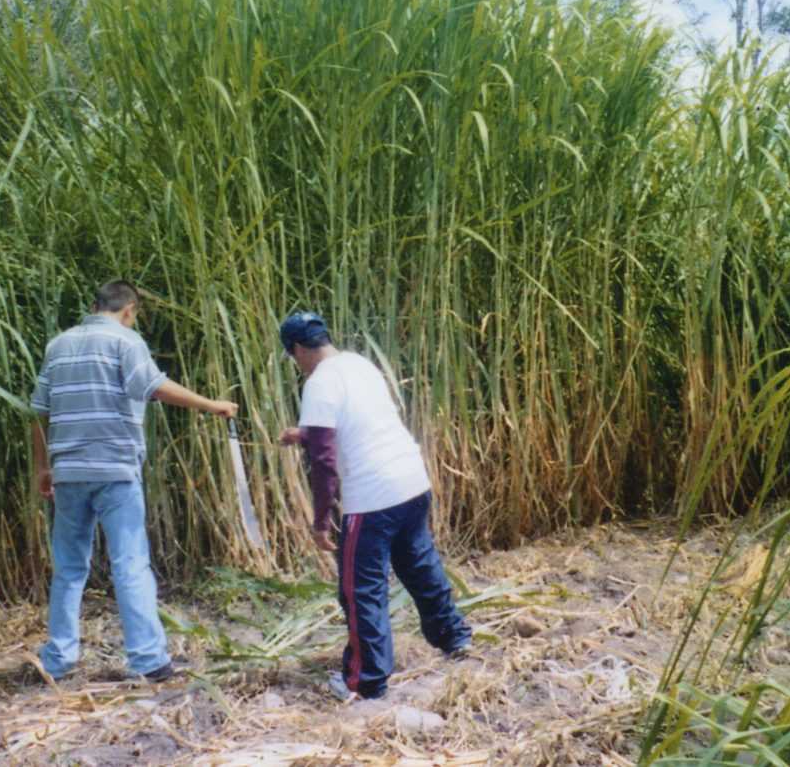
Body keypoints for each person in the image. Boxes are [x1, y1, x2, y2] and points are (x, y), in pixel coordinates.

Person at [29, 280, 237, 683]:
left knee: (69, 568)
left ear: (94, 305)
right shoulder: (125, 340)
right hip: (115, 471)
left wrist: (42, 467)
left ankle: (58, 660)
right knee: (130, 563)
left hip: (69, 472)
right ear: (129, 311)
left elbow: (39, 411)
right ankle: (147, 659)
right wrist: (211, 405)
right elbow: (153, 386)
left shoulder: (57, 345)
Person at [277, 311, 472, 701]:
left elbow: (326, 463)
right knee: (420, 565)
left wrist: (320, 520)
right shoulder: (358, 364)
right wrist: (306, 435)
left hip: (373, 496)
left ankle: (366, 681)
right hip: (411, 480)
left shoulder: (318, 384)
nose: (297, 365)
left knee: (360, 589)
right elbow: (358, 422)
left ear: (297, 349)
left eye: (293, 357)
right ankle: (456, 640)